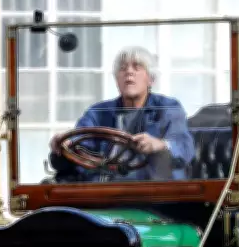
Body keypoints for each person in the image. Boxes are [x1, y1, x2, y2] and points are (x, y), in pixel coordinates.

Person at [49, 45, 195, 181]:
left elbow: (184, 147)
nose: (129, 72)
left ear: (151, 79)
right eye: (123, 68)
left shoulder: (168, 108)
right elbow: (81, 143)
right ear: (117, 79)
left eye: (137, 67)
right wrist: (66, 144)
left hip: (153, 192)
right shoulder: (98, 113)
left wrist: (159, 145)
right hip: (103, 191)